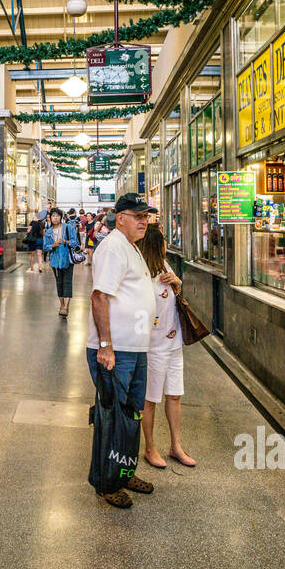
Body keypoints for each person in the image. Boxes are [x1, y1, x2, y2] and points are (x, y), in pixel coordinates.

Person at [87, 192, 159, 508]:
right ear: (121, 218)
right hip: (116, 351)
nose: (144, 222)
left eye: (146, 216)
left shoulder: (131, 247)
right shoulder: (113, 247)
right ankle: (106, 483)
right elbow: (99, 297)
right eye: (138, 216)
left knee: (131, 415)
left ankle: (125, 472)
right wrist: (106, 346)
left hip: (135, 348)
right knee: (112, 418)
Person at [134, 222, 195, 468]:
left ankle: (176, 446)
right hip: (153, 347)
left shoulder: (165, 266)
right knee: (150, 400)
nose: (167, 244)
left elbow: (173, 300)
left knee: (174, 395)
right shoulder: (141, 277)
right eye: (163, 240)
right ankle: (150, 447)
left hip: (174, 343)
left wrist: (178, 284)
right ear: (156, 245)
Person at [44, 207, 79, 317]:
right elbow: (45, 247)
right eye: (53, 216)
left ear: (61, 217)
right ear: (50, 218)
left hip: (67, 259)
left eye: (57, 216)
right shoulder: (48, 232)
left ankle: (66, 307)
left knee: (67, 282)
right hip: (55, 261)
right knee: (59, 282)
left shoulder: (68, 227)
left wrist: (66, 242)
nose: (55, 218)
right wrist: (52, 245)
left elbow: (75, 242)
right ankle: (62, 305)